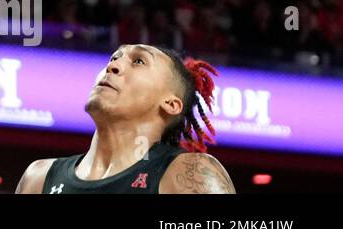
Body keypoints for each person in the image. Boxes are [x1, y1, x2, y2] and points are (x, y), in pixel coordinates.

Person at [16, 46, 234, 193]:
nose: (112, 66)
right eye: (113, 58)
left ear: (170, 103)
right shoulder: (39, 177)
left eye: (138, 61)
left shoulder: (188, 172)